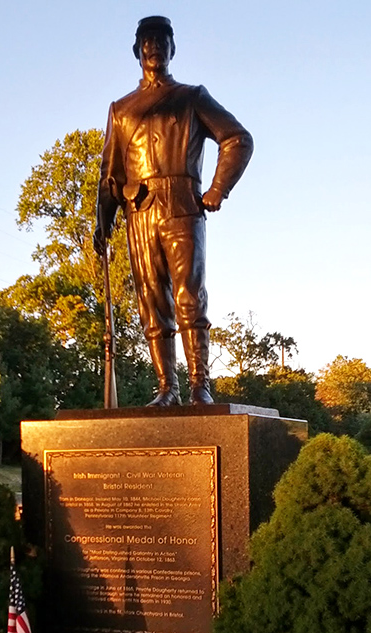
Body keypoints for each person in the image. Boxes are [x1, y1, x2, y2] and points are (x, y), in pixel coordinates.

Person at [94, 15, 253, 406]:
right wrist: (104, 222)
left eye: (161, 40)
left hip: (182, 205)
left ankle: (199, 385)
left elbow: (237, 138)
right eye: (147, 41)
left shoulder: (190, 96)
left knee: (188, 295)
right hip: (140, 211)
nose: (154, 46)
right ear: (136, 51)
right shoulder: (122, 109)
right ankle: (167, 388)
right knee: (152, 300)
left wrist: (218, 188)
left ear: (172, 48)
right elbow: (109, 173)